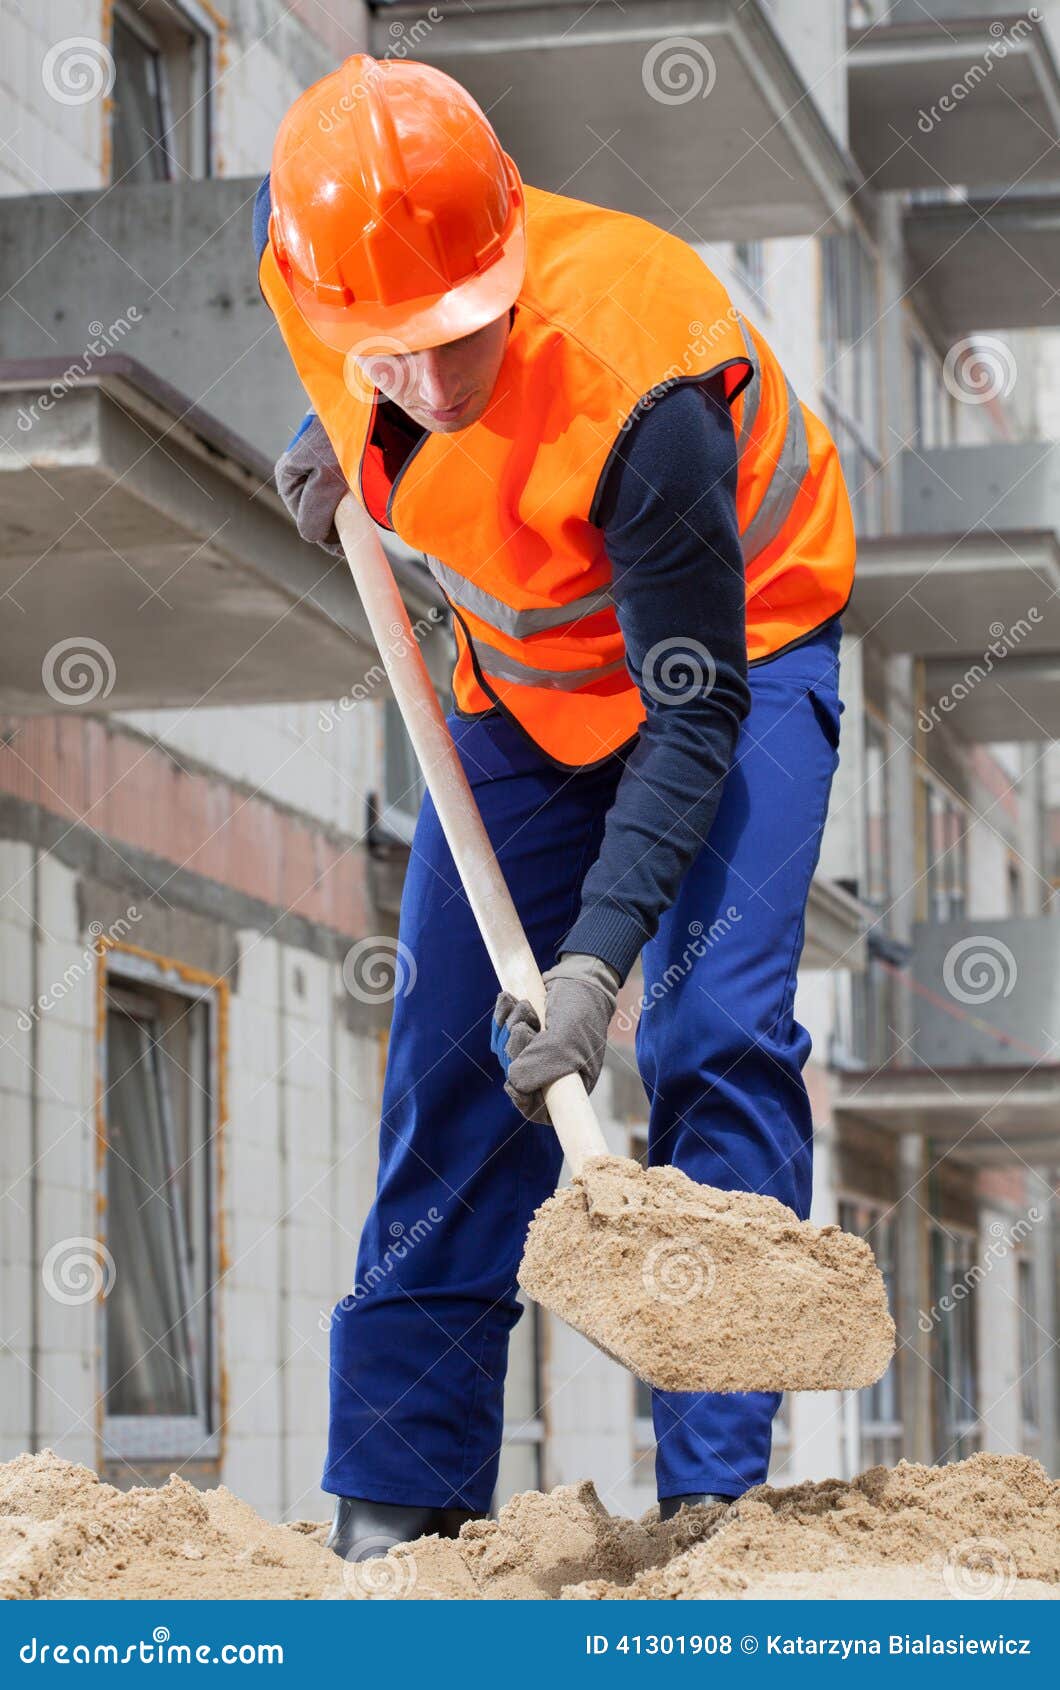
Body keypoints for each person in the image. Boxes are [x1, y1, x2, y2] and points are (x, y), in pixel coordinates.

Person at [256, 53, 854, 1558]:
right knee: (452, 1062)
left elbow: (693, 711)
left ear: (507, 259)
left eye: (456, 336)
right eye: (387, 353)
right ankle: (403, 1505)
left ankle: (714, 1510)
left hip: (739, 647)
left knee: (714, 1029)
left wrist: (593, 969)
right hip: (524, 686)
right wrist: (352, 438)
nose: (426, 377)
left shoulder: (643, 383)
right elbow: (380, 370)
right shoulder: (321, 274)